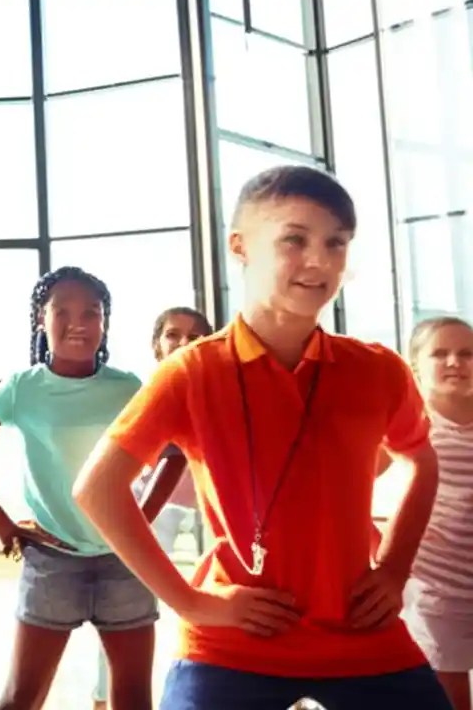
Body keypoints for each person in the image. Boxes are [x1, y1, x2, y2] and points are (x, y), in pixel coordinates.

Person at [74, 165, 452, 709]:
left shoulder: (377, 369)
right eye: (294, 239)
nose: (319, 260)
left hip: (360, 632)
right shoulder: (192, 372)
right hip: (234, 637)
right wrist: (190, 601)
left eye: (336, 243)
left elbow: (420, 459)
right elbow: (97, 489)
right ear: (240, 246)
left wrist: (394, 569)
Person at [0, 267, 155, 710]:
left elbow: (173, 455)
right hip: (52, 561)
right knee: (22, 698)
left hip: (124, 561)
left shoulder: (128, 388)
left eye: (91, 312)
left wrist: (143, 520)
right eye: (63, 311)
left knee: (134, 699)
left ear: (105, 322)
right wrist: (4, 526)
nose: (78, 322)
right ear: (42, 319)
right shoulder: (23, 389)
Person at [93, 307, 213, 709]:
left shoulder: (222, 394)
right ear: (156, 345)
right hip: (153, 513)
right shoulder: (150, 394)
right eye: (173, 335)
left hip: (209, 520)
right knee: (125, 615)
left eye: (195, 336)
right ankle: (102, 697)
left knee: (211, 613)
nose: (184, 343)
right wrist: (133, 523)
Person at [399, 316, 473, 709]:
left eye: (467, 354)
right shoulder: (408, 426)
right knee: (451, 697)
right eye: (440, 353)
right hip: (436, 588)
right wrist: (384, 554)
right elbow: (350, 489)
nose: (454, 362)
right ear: (415, 367)